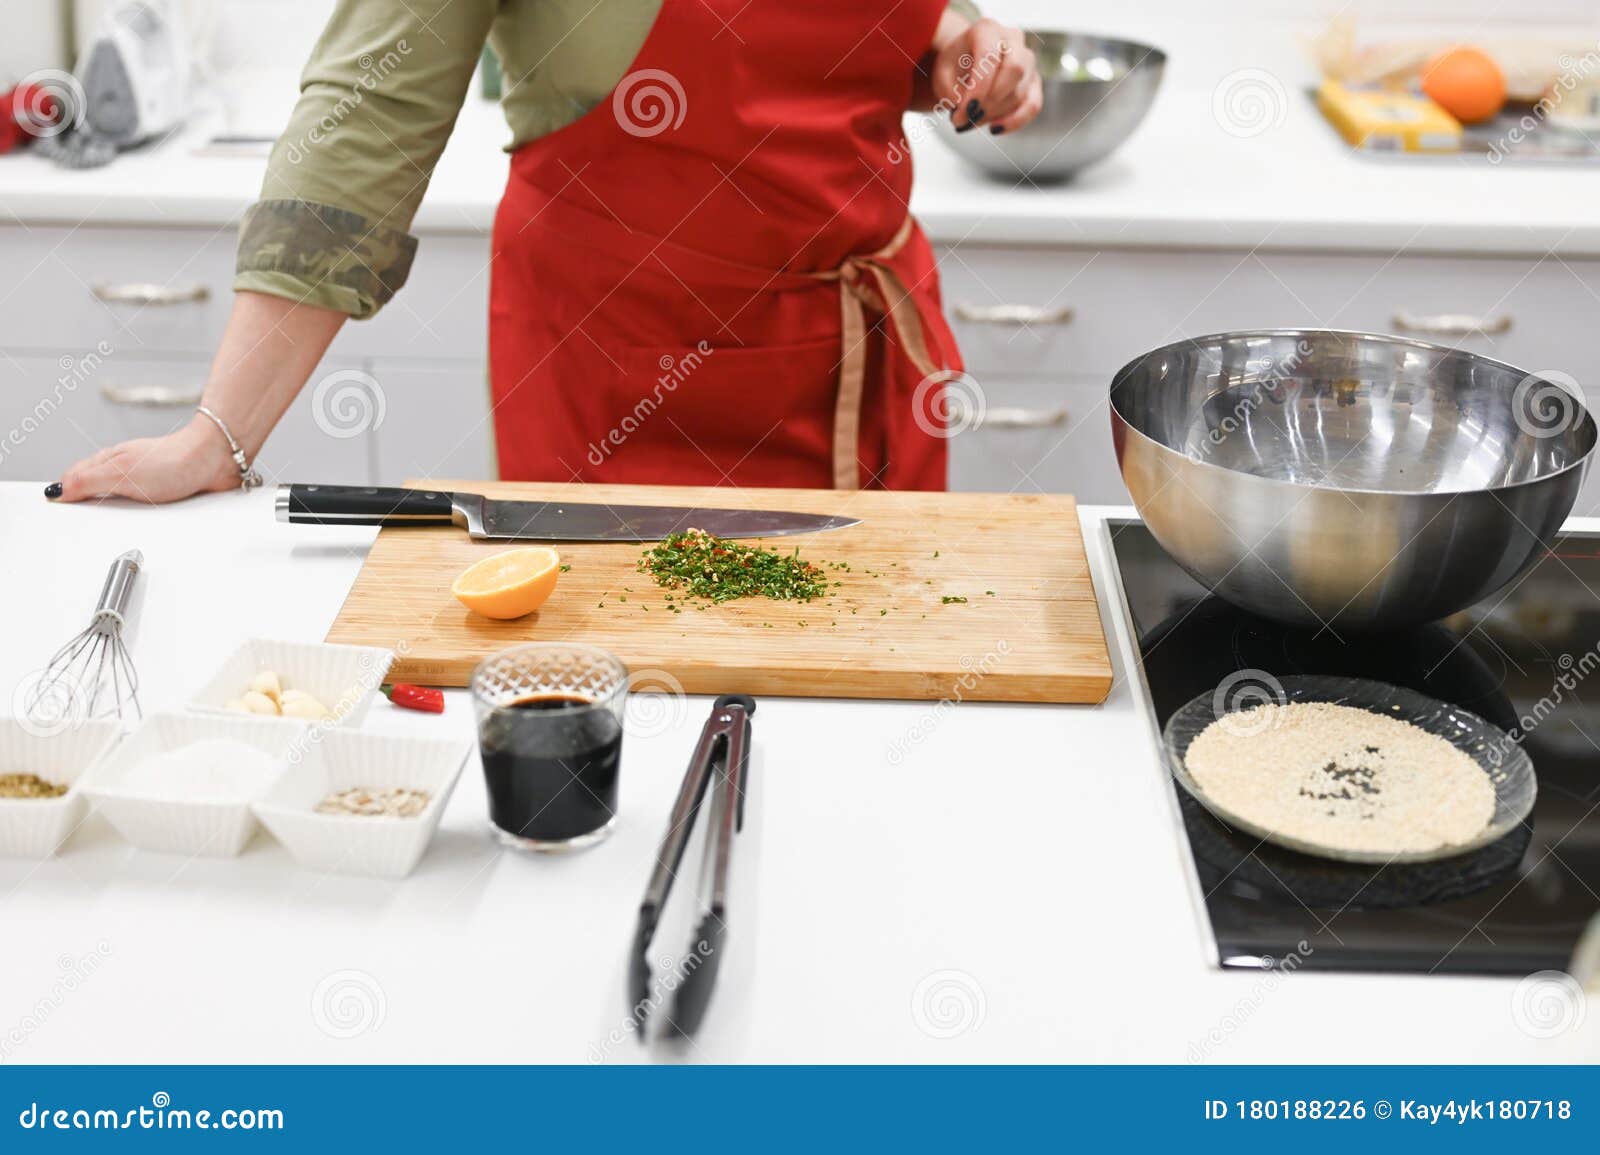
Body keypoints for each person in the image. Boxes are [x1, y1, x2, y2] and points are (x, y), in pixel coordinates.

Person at [50, 1, 1042, 504]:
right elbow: (366, 123)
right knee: (620, 723)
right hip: (619, 382)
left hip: (858, 361)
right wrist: (217, 439)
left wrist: (947, 36)